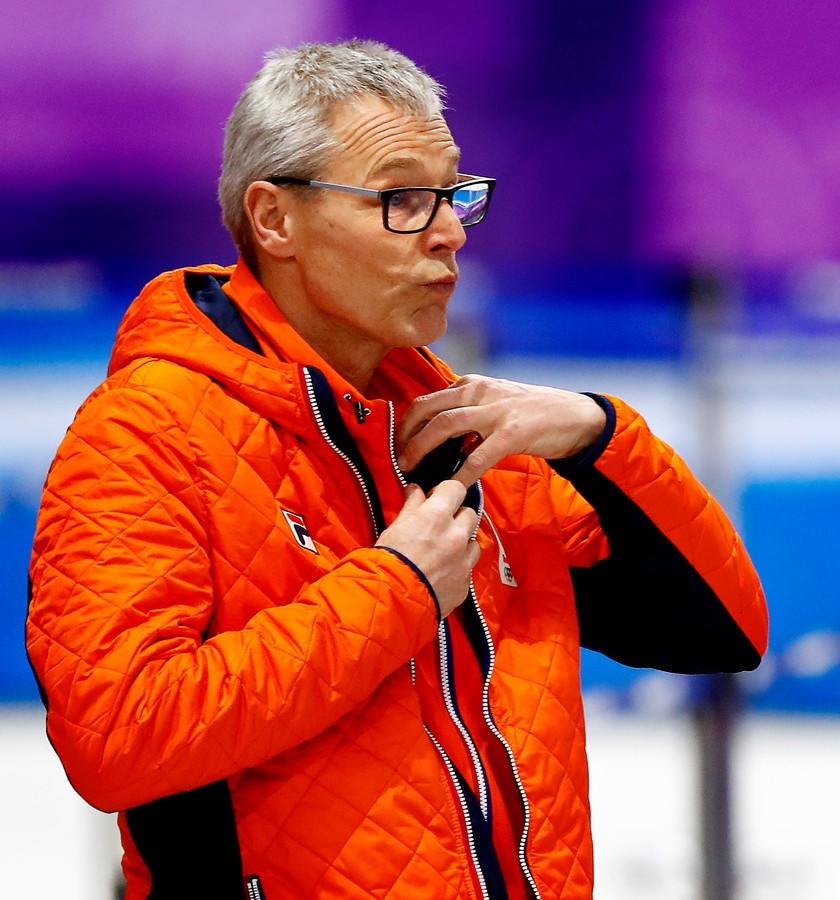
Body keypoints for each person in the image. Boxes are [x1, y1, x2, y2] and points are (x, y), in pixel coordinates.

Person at [25, 39, 767, 900]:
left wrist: (599, 434)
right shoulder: (146, 432)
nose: (448, 233)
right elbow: (117, 741)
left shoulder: (463, 432)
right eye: (402, 200)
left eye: (452, 195)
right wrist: (395, 591)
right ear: (274, 220)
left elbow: (719, 633)